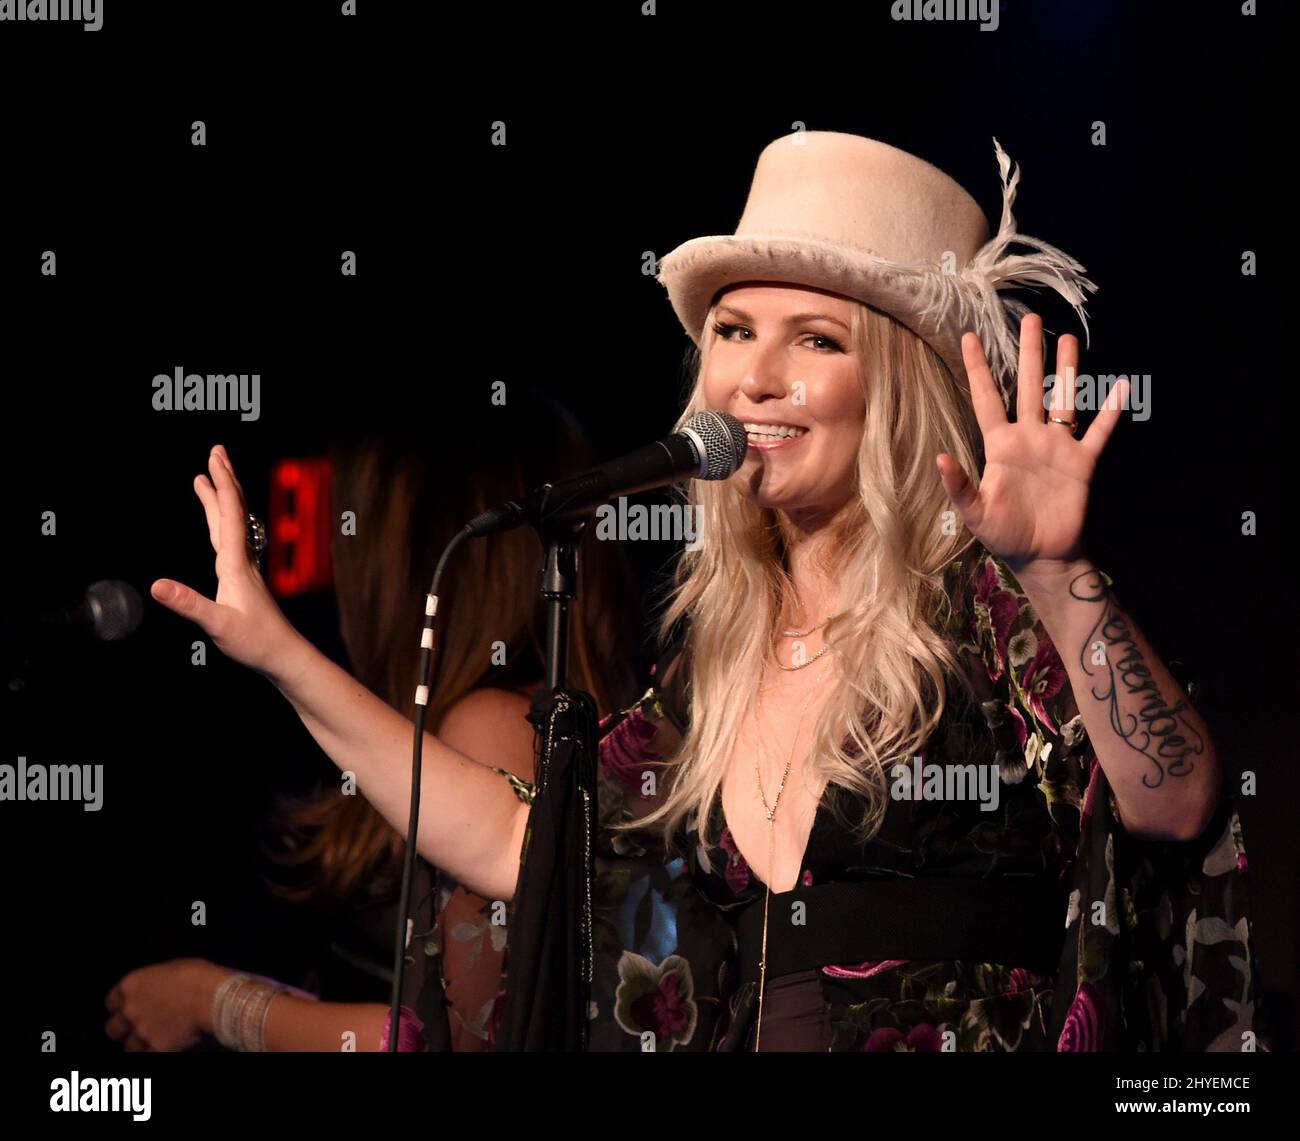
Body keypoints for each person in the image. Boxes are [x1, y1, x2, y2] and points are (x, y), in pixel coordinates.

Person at [146, 131, 1266, 1052]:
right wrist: (282, 656)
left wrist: (1058, 573)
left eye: (814, 339)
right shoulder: (717, 659)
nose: (753, 374)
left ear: (899, 391)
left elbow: (1170, 804)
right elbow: (515, 842)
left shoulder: (987, 605)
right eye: (732, 331)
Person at [104, 394, 640, 1052]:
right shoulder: (483, 711)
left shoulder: (490, 723)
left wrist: (217, 1001)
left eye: (350, 519)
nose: (338, 545)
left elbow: (477, 1038)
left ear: (407, 545)